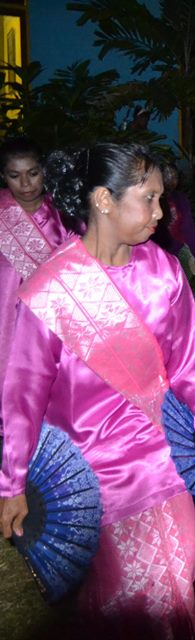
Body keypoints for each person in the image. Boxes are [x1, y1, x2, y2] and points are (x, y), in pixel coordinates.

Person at [0, 143, 195, 637]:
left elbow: (189, 363)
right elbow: (23, 395)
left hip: (160, 452)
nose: (160, 212)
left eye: (162, 199)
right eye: (148, 198)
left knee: (181, 559)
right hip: (91, 472)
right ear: (104, 199)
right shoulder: (51, 290)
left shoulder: (163, 271)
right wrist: (11, 482)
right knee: (121, 592)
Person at [0, 138, 72, 434]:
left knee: (50, 371)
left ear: (44, 171)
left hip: (50, 314)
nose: (25, 183)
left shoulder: (63, 212)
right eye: (14, 176)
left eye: (32, 173)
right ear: (3, 177)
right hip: (6, 313)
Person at [155, 163, 195, 265]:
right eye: (167, 175)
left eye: (174, 176)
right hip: (155, 254)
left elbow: (188, 229)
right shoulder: (151, 198)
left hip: (178, 253)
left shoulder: (180, 199)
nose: (171, 179)